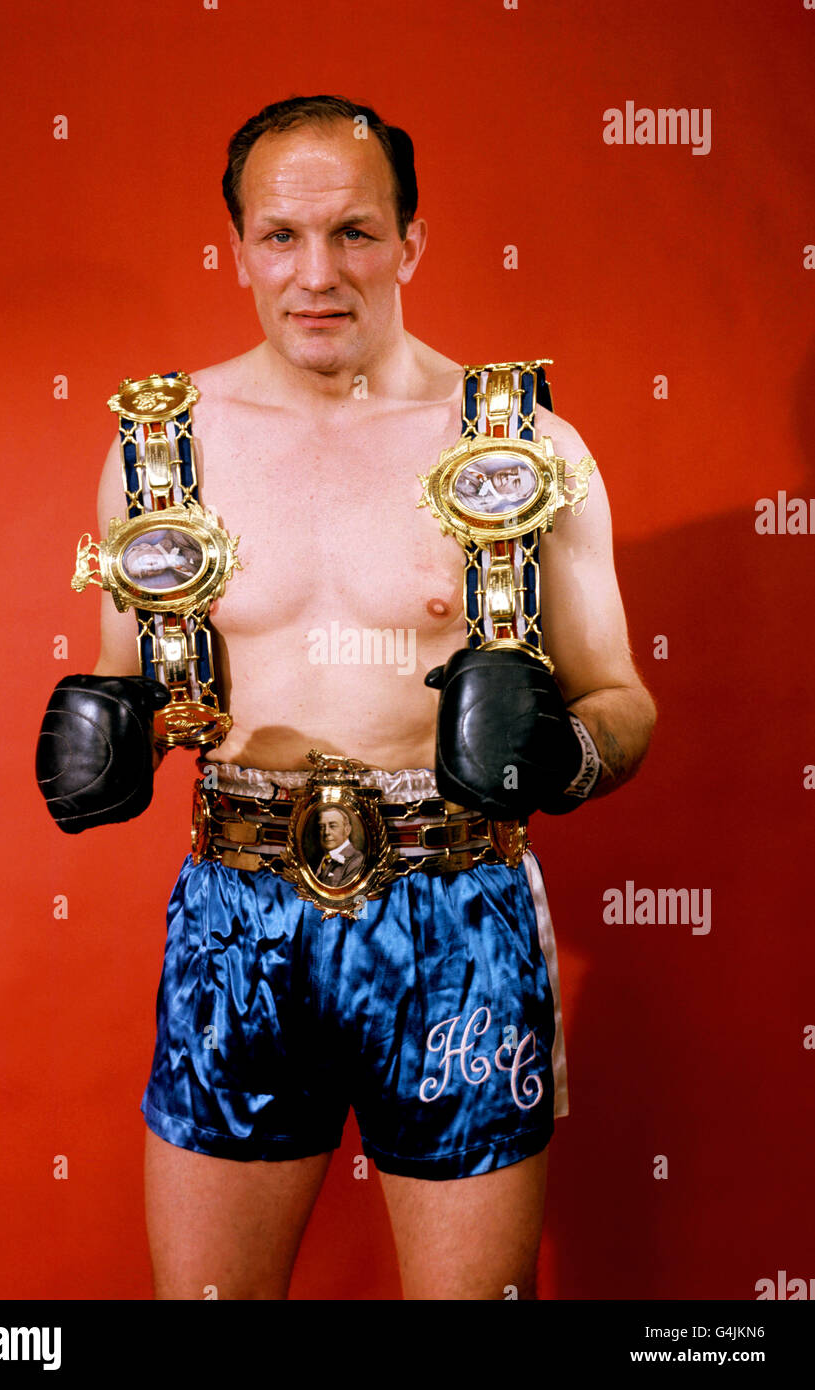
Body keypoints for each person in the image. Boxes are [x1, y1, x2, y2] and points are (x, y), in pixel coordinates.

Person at [63, 95, 656, 1300]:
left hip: (456, 914)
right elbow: (137, 681)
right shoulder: (158, 452)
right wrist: (115, 727)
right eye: (280, 236)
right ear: (237, 250)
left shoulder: (523, 443)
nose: (316, 273)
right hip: (237, 917)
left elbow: (619, 698)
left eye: (354, 232)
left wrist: (562, 755)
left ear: (410, 241)